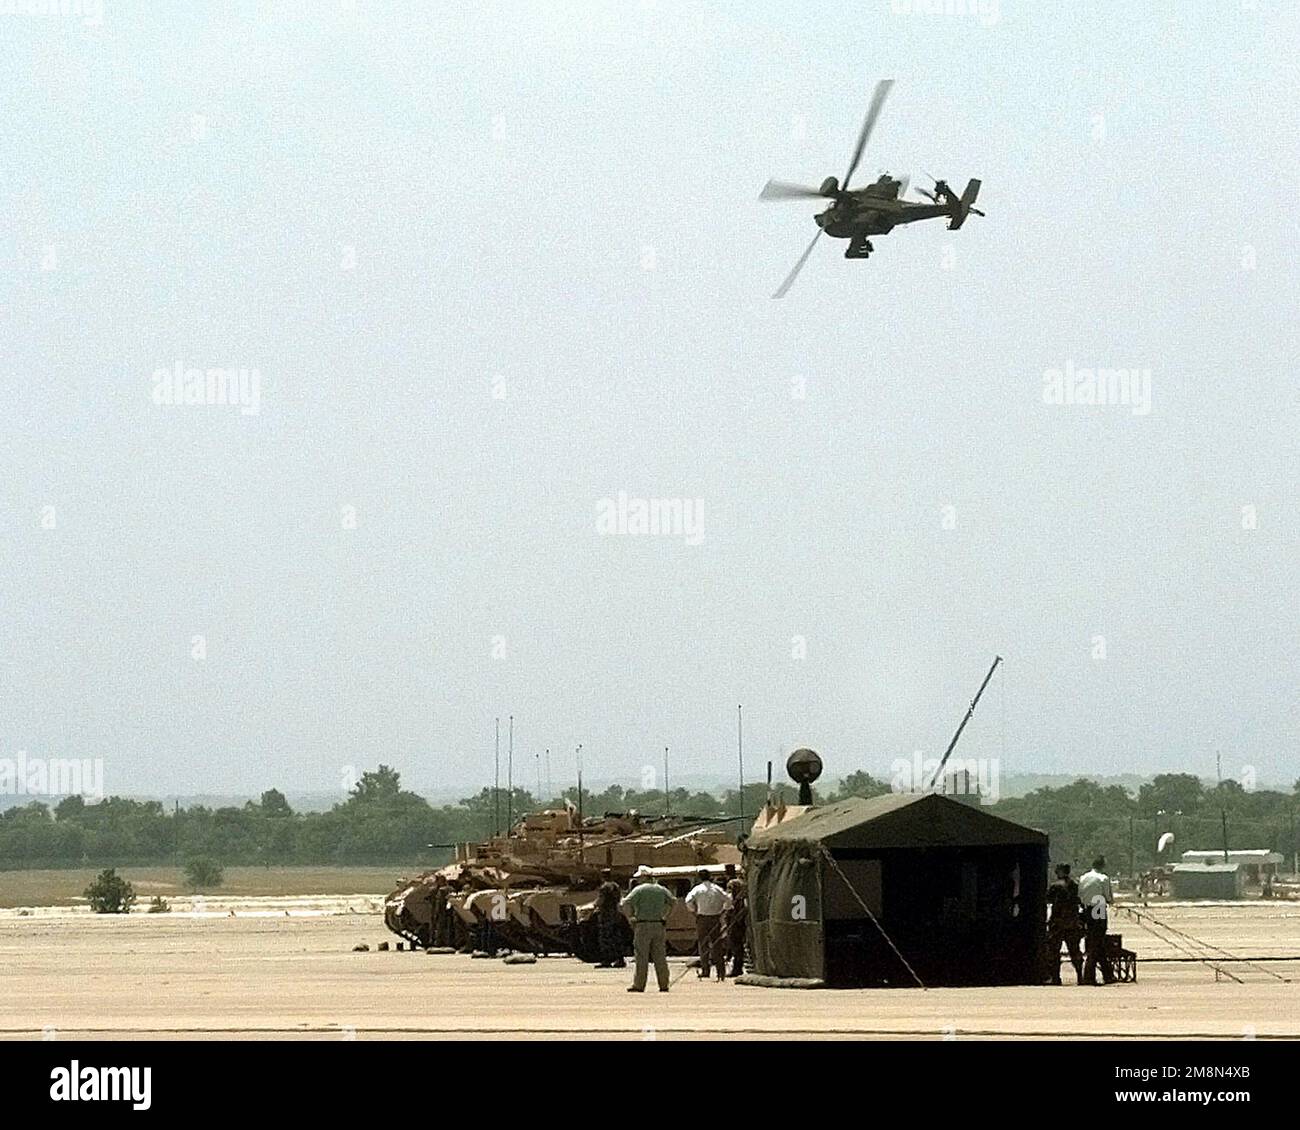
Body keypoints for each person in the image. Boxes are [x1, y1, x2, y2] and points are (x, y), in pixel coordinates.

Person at [620, 865, 676, 992]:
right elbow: (673, 902)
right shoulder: (661, 889)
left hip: (643, 925)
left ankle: (639, 984)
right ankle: (664, 984)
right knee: (660, 956)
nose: (638, 880)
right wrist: (665, 916)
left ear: (644, 877)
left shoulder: (639, 890)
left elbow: (625, 903)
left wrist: (631, 917)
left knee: (641, 957)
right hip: (658, 924)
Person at [685, 869, 732, 980]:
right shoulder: (717, 889)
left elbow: (688, 901)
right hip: (715, 918)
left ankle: (706, 970)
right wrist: (723, 911)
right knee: (717, 945)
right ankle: (721, 971)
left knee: (703, 945)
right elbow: (728, 900)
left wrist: (694, 912)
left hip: (702, 918)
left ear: (700, 878)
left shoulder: (697, 889)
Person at [1078, 856, 1115, 985]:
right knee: (1097, 941)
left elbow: (1080, 895)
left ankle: (1108, 974)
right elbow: (1108, 897)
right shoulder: (1103, 878)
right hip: (1098, 907)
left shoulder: (1083, 877)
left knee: (1096, 941)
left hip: (1087, 909)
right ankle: (1089, 975)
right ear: (1102, 866)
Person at [1044, 863, 1084, 985]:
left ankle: (1056, 978)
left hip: (1057, 923)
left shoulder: (1055, 886)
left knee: (1054, 951)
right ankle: (1080, 977)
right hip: (1072, 922)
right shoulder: (1075, 886)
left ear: (1060, 871)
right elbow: (1080, 901)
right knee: (1075, 950)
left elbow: (1048, 899)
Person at [594, 878, 626, 968]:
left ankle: (606, 960)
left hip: (606, 916)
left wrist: (595, 905)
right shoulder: (616, 886)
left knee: (605, 939)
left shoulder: (605, 887)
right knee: (616, 938)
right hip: (615, 915)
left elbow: (601, 900)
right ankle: (620, 959)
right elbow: (619, 899)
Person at [722, 877, 748, 979]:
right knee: (733, 946)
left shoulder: (742, 899)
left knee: (737, 948)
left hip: (738, 926)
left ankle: (737, 969)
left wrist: (736, 919)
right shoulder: (734, 898)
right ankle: (736, 967)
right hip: (732, 924)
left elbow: (743, 910)